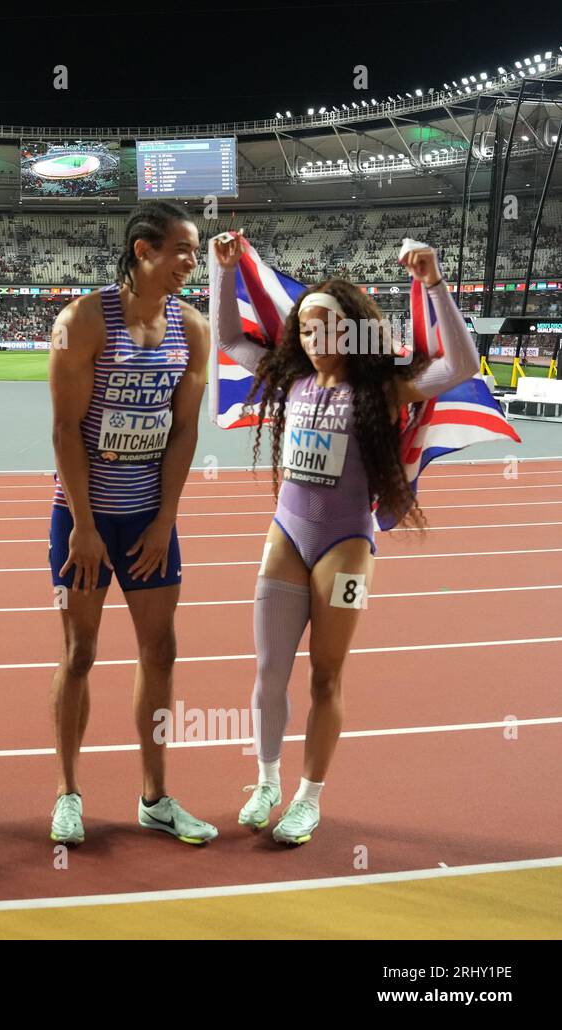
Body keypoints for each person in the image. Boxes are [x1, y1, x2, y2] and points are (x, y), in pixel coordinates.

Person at [210, 230, 478, 844]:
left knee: (325, 677)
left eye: (326, 327)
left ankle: (308, 798)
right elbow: (228, 338)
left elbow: (459, 365)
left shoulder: (383, 388)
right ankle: (268, 780)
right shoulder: (290, 378)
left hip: (347, 547)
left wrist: (433, 281)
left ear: (354, 329)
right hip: (286, 535)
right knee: (269, 670)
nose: (313, 338)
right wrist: (223, 269)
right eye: (304, 328)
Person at [47, 200, 215, 846]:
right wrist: (85, 526)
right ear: (144, 251)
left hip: (149, 518)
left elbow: (184, 430)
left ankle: (155, 796)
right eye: (182, 251)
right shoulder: (85, 321)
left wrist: (164, 520)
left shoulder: (191, 328)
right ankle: (67, 793)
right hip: (84, 517)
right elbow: (65, 430)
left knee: (162, 651)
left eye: (195, 253)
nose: (190, 264)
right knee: (80, 653)